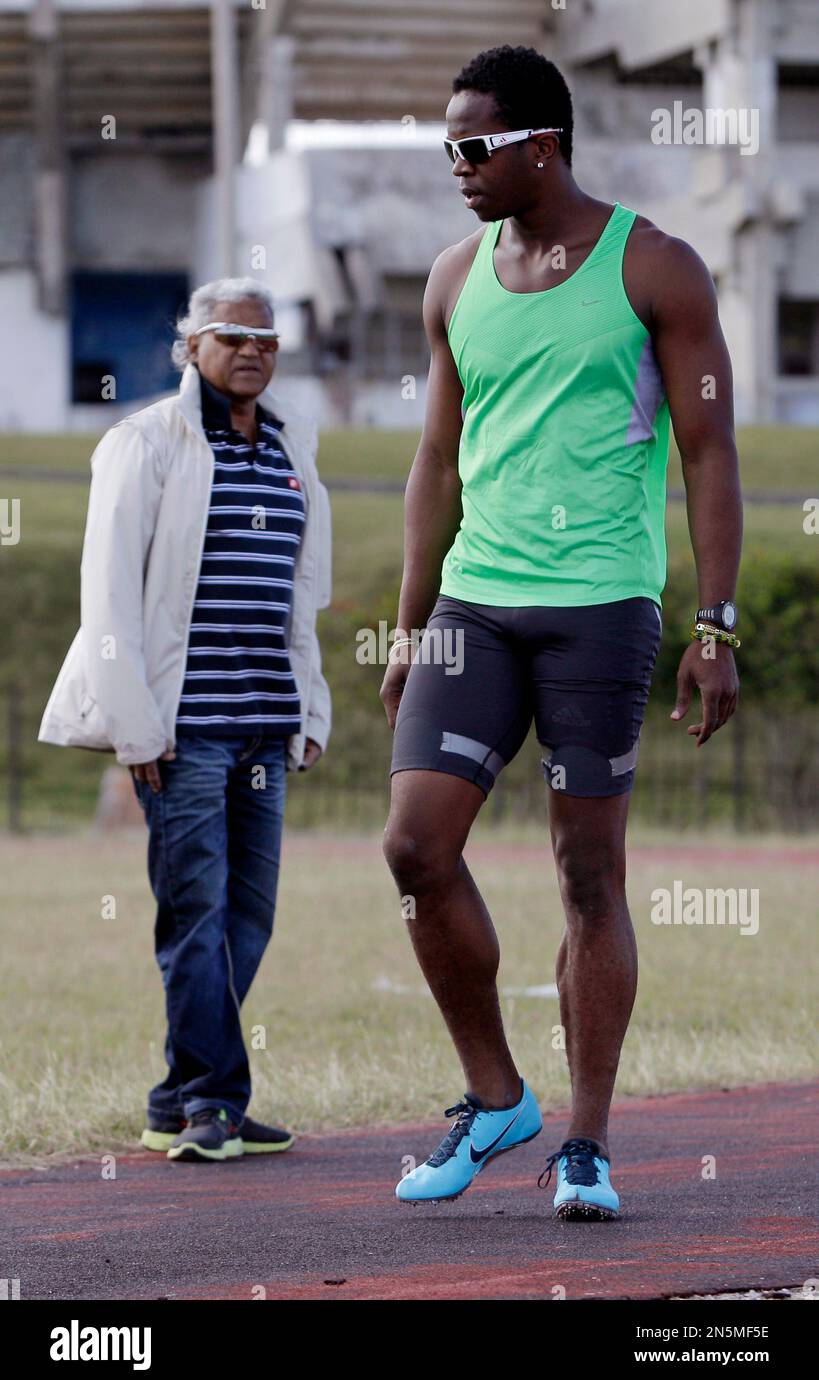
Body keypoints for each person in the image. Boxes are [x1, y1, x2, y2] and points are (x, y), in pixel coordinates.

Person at [381, 47, 741, 1219]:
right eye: (447, 148)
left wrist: (715, 619)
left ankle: (585, 1144)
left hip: (601, 606)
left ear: (542, 142)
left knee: (590, 877)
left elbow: (709, 454)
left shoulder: (658, 268)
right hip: (476, 606)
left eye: (473, 147)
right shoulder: (453, 278)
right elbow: (436, 460)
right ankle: (496, 1098)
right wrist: (406, 623)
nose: (457, 169)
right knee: (413, 848)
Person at [39, 278, 332, 1161]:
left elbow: (300, 597)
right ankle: (213, 1101)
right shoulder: (145, 442)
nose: (251, 350)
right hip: (183, 727)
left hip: (264, 724)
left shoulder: (289, 446)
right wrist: (136, 727)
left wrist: (309, 707)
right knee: (194, 914)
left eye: (265, 339)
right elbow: (109, 597)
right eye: (229, 335)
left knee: (248, 917)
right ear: (190, 346)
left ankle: (176, 1097)